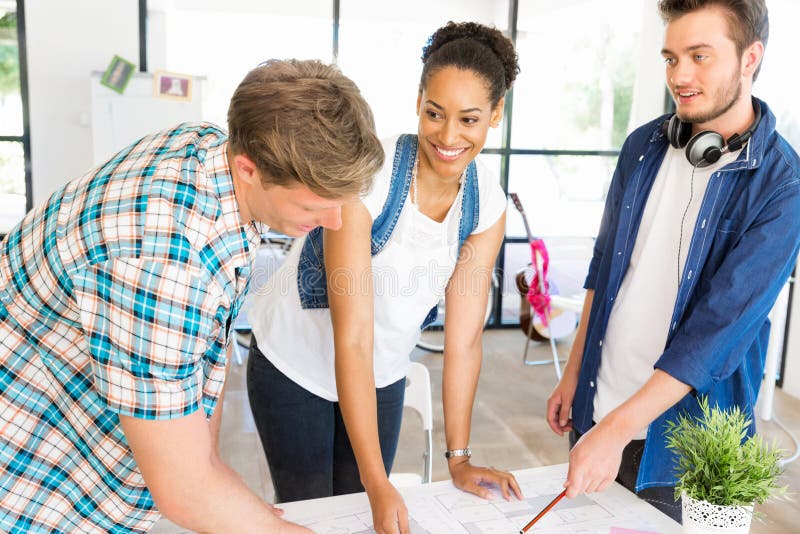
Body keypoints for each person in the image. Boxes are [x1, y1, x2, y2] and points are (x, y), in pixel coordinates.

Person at [0, 59, 384, 533]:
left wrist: (214, 478)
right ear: (249, 168)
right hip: (32, 482)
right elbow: (183, 489)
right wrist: (209, 490)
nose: (335, 224)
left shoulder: (208, 148)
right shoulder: (164, 264)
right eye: (313, 206)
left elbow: (205, 355)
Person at [246, 21, 522, 534]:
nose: (447, 135)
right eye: (435, 113)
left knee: (364, 512)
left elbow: (463, 342)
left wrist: (459, 460)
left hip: (382, 373)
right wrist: (378, 482)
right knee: (314, 515)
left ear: (495, 115)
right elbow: (353, 335)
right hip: (296, 363)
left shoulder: (486, 203)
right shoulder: (368, 178)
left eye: (469, 119)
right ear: (418, 100)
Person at [546, 0, 800, 522]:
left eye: (700, 56)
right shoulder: (642, 146)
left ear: (750, 57)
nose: (679, 75)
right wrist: (575, 372)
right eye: (670, 57)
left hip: (687, 450)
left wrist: (617, 430)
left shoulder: (784, 185)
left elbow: (717, 333)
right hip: (598, 410)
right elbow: (604, 267)